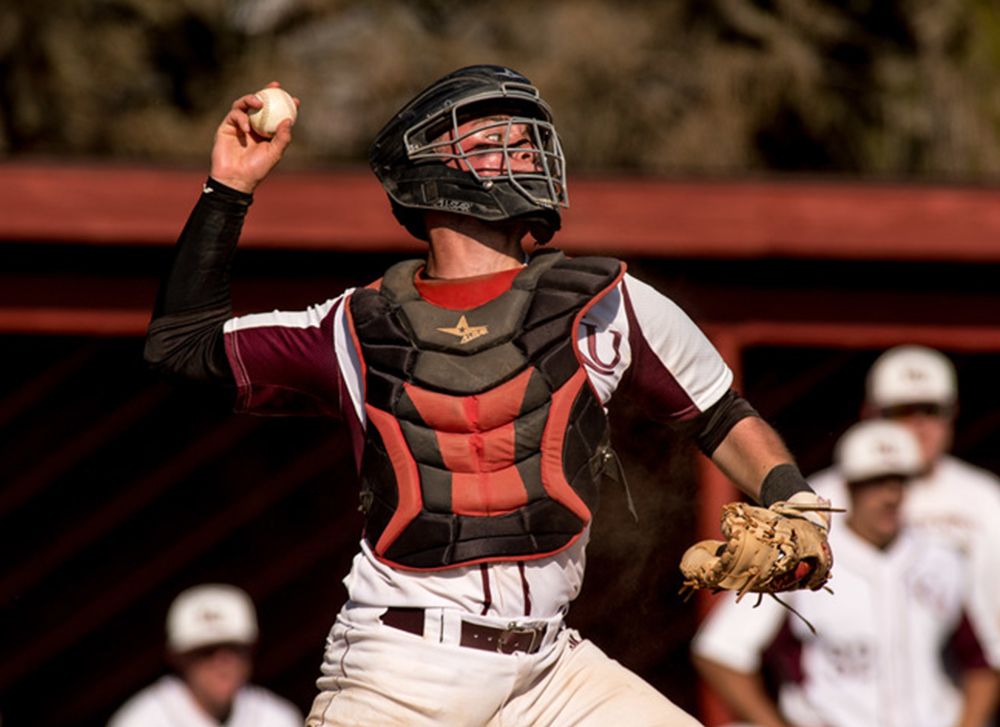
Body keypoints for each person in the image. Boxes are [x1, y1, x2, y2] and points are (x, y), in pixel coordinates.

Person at [143, 65, 832, 727]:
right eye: (490, 133)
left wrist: (796, 501)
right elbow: (181, 347)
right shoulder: (353, 326)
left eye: (523, 133)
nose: (522, 146)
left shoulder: (606, 301)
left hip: (553, 669)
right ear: (427, 168)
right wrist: (228, 188)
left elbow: (722, 412)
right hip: (402, 671)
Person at [691, 419, 1000, 727]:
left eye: (899, 480)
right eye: (875, 482)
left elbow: (983, 662)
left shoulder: (943, 556)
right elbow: (720, 652)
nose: (890, 495)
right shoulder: (804, 557)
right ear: (848, 486)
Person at [810, 345, 1000, 641]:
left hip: (961, 678)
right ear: (869, 413)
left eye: (933, 410)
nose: (920, 426)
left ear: (954, 413)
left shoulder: (986, 497)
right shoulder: (820, 498)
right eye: (902, 411)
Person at [107, 584, 303, 727]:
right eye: (206, 651)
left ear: (251, 650)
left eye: (233, 648)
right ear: (177, 658)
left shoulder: (278, 718)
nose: (222, 662)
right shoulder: (139, 721)